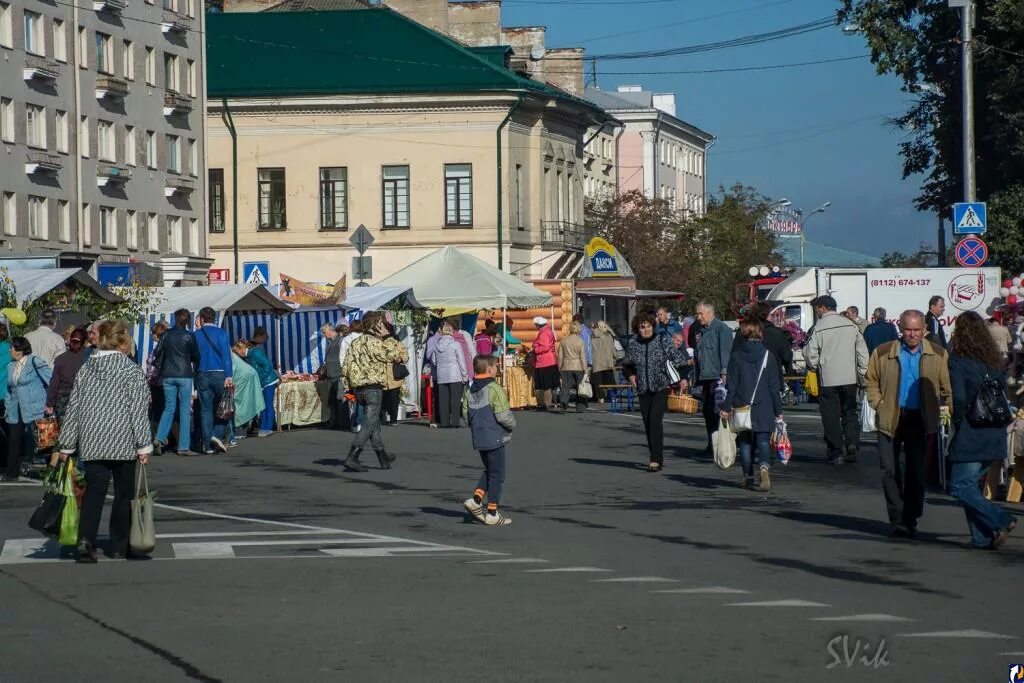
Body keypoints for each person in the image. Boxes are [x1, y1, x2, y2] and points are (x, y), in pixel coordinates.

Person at [55, 321, 152, 562]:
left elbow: (73, 408)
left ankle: (86, 540)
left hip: (93, 440)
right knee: (124, 494)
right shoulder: (130, 370)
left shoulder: (86, 370)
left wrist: (66, 444)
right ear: (121, 342)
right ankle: (119, 545)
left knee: (94, 492)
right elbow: (137, 410)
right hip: (124, 440)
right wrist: (144, 444)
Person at [864, 310, 951, 539]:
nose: (912, 334)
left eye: (917, 330)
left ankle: (910, 518)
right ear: (900, 329)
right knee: (889, 470)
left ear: (924, 330)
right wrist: (878, 402)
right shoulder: (883, 352)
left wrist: (944, 408)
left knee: (916, 472)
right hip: (891, 416)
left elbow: (947, 388)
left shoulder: (939, 354)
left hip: (920, 419)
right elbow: (871, 380)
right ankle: (897, 518)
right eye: (908, 330)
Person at [947, 311, 1017, 549]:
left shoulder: (957, 361)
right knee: (971, 485)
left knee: (959, 486)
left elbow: (958, 396)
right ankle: (982, 537)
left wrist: (957, 420)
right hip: (995, 429)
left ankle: (1001, 519)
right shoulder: (994, 361)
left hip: (972, 429)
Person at [804, 295, 869, 464]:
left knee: (830, 416)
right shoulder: (851, 325)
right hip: (850, 377)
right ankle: (853, 443)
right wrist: (862, 372)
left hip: (828, 377)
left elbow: (810, 354)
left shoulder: (818, 327)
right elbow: (862, 352)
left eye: (817, 308)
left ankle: (836, 450)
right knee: (850, 411)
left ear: (823, 308)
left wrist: (814, 366)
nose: (817, 312)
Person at [720, 320, 784, 491]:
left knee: (745, 442)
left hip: (741, 404)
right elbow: (773, 386)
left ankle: (748, 476)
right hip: (764, 404)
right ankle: (764, 468)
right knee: (763, 440)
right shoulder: (767, 355)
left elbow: (731, 386)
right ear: (760, 335)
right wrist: (779, 411)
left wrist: (726, 407)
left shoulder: (736, 356)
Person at [623, 311, 688, 472]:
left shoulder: (662, 340)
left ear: (653, 326)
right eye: (641, 327)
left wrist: (684, 377)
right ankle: (654, 453)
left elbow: (679, 359)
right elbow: (626, 364)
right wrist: (630, 375)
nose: (645, 330)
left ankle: (656, 459)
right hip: (643, 388)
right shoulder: (633, 343)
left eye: (648, 327)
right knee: (647, 423)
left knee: (655, 421)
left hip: (660, 386)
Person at [340, 311, 405, 472]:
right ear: (377, 325)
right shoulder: (374, 342)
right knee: (369, 424)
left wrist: (348, 388)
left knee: (374, 423)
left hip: (359, 389)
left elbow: (346, 366)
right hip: (373, 388)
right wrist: (388, 336)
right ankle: (353, 455)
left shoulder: (355, 342)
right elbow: (393, 355)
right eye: (381, 323)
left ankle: (382, 456)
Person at [462, 355, 516, 526]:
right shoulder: (494, 388)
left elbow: (465, 414)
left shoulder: (469, 389)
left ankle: (477, 500)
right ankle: (492, 512)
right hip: (494, 435)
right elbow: (503, 415)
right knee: (498, 474)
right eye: (495, 366)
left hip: (479, 436)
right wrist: (513, 424)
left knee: (491, 470)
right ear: (490, 369)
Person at [2, 337, 52, 482]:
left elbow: (50, 381)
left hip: (35, 406)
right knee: (14, 440)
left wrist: (49, 403)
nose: (10, 350)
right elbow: (9, 388)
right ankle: (11, 473)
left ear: (19, 349)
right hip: (15, 409)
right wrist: (7, 406)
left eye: (12, 347)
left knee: (44, 441)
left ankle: (53, 470)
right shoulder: (10, 366)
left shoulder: (35, 362)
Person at [153, 309, 200, 456]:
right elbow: (196, 356)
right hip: (185, 374)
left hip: (168, 374)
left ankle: (159, 438)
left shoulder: (166, 335)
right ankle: (183, 446)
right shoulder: (189, 336)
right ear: (187, 320)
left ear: (175, 318)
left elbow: (158, 352)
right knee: (185, 410)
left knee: (169, 408)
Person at [693, 302, 734, 452]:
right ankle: (712, 443)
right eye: (697, 314)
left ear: (710, 313)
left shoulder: (722, 330)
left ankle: (720, 444)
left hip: (717, 377)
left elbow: (725, 352)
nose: (698, 317)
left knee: (716, 412)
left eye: (700, 314)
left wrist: (724, 373)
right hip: (704, 377)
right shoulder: (700, 331)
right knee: (707, 412)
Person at [194, 307, 234, 454]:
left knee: (205, 410)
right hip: (220, 374)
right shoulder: (222, 333)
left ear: (202, 319)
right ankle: (216, 436)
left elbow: (194, 358)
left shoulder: (196, 335)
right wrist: (229, 376)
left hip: (202, 374)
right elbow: (226, 357)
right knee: (222, 408)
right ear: (214, 318)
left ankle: (207, 444)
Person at [733, 302, 791, 388]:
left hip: (746, 380)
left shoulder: (742, 332)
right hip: (772, 380)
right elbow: (787, 357)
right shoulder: (778, 334)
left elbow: (734, 356)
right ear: (768, 315)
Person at [429, 321, 469, 428]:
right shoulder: (456, 344)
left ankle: (444, 422)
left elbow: (434, 361)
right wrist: (465, 376)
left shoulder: (437, 346)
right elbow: (461, 361)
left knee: (443, 401)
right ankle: (455, 422)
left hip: (441, 375)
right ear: (451, 332)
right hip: (455, 375)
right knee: (455, 400)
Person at [45, 328, 87, 423]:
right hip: (85, 398)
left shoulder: (61, 359)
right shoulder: (90, 357)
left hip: (63, 400)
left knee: (65, 432)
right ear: (85, 341)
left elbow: (54, 383)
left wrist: (49, 403)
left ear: (70, 339)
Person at [247, 327, 279, 437]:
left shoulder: (254, 352)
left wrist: (260, 379)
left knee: (267, 404)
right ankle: (264, 427)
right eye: (265, 337)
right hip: (265, 380)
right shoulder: (254, 351)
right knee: (263, 405)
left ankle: (267, 428)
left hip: (268, 381)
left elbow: (267, 365)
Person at [232, 340, 266, 440]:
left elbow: (232, 371)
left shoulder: (231, 355)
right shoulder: (235, 355)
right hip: (249, 375)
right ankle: (244, 429)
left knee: (239, 404)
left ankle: (239, 431)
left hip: (244, 377)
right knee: (246, 402)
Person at [381, 321, 409, 426]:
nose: (380, 331)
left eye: (382, 328)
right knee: (383, 399)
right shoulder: (377, 342)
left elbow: (405, 356)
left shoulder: (396, 342)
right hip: (381, 375)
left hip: (394, 375)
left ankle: (393, 419)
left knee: (393, 398)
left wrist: (400, 359)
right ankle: (382, 418)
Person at [557, 321, 588, 413]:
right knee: (580, 387)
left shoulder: (563, 341)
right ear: (578, 329)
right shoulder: (581, 341)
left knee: (565, 387)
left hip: (566, 367)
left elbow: (560, 356)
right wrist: (585, 369)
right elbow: (582, 356)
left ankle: (563, 404)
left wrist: (559, 367)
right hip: (578, 366)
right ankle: (580, 406)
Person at [340, 320, 365, 433]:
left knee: (354, 398)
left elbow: (342, 358)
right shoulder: (365, 338)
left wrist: (344, 372)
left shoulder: (346, 340)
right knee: (362, 399)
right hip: (364, 372)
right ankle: (359, 422)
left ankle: (356, 422)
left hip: (351, 372)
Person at [530, 317, 560, 411]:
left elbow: (545, 347)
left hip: (545, 361)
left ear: (538, 325)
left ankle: (547, 404)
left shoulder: (544, 333)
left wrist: (535, 349)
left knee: (546, 385)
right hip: (547, 361)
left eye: (535, 325)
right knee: (547, 385)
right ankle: (547, 403)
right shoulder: (547, 331)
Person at [320, 322, 345, 430]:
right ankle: (333, 422)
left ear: (330, 330)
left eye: (324, 332)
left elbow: (343, 356)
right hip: (330, 375)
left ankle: (341, 422)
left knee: (339, 400)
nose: (323, 335)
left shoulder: (340, 340)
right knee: (331, 401)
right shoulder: (330, 342)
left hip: (338, 374)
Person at [147, 321, 169, 430]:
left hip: (158, 383)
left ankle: (159, 436)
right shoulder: (163, 346)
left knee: (158, 410)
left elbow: (154, 367)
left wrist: (150, 379)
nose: (151, 335)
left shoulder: (159, 348)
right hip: (160, 382)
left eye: (152, 333)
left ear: (157, 333)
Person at [590, 320, 617, 403]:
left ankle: (600, 398)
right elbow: (613, 349)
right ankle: (613, 397)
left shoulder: (592, 336)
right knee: (610, 380)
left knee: (598, 382)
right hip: (607, 361)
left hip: (596, 362)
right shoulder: (608, 336)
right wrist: (615, 357)